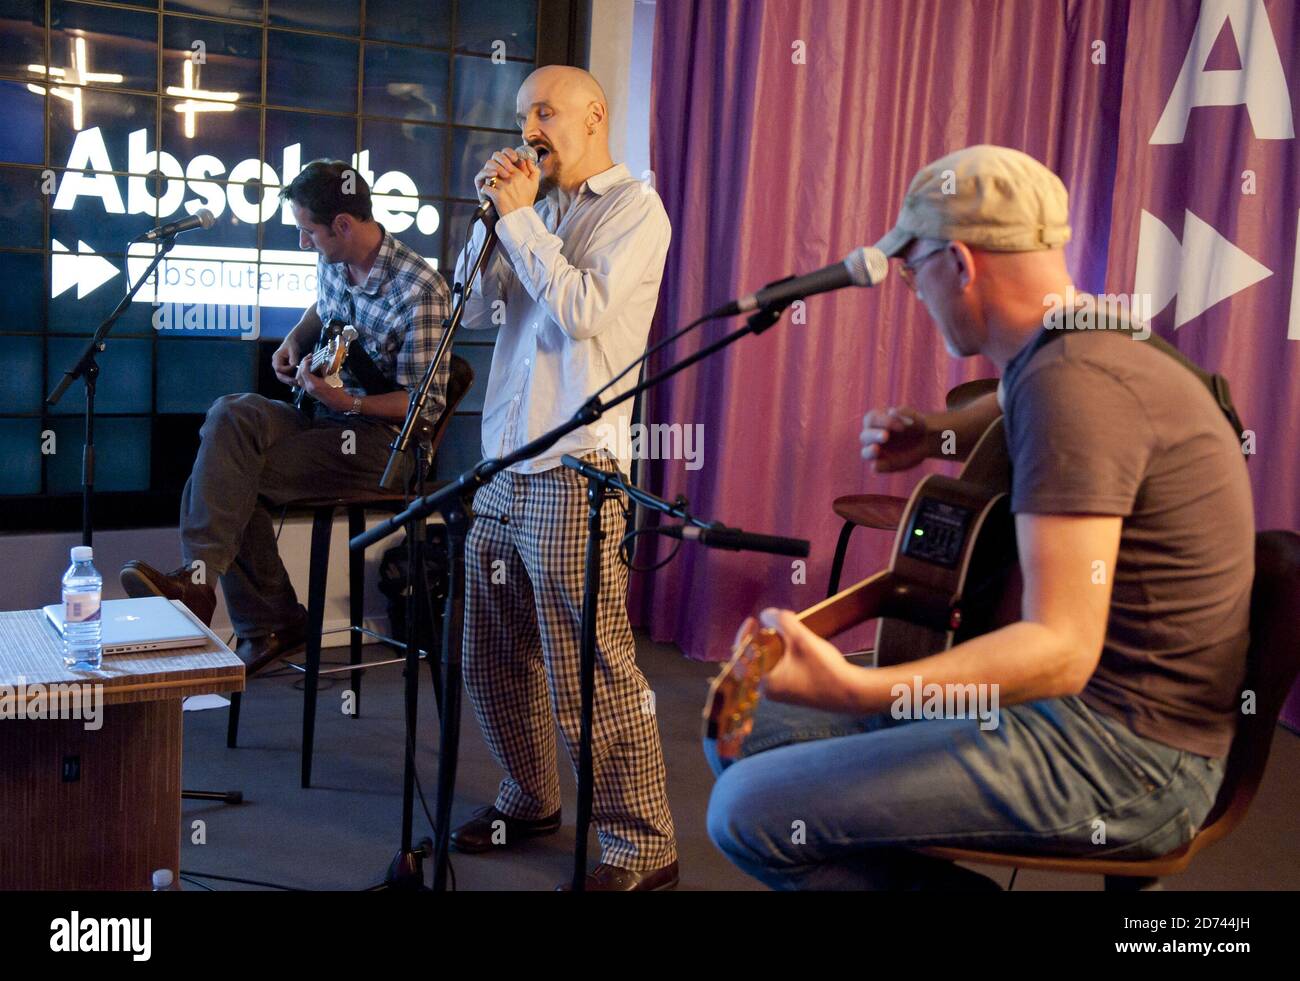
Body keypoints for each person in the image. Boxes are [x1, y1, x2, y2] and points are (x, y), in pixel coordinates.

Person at [705, 145, 1254, 890]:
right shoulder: (1082, 340)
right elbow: (1011, 418)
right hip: (1081, 712)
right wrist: (932, 433)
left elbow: (1060, 648)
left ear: (961, 263)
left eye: (912, 269)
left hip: (1131, 755)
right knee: (741, 733)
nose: (910, 288)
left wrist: (857, 690)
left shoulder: (1075, 380)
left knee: (743, 808)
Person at [446, 66, 679, 891]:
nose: (530, 128)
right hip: (505, 464)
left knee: (590, 667)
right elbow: (472, 313)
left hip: (578, 468)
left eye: (545, 111)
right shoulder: (531, 212)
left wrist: (521, 225)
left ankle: (642, 842)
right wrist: (494, 221)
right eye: (522, 114)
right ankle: (529, 794)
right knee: (490, 653)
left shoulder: (636, 210)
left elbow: (581, 311)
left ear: (594, 115)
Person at [121, 160, 450, 676]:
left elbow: (422, 404)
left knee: (226, 477)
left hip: (387, 443)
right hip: (321, 416)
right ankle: (233, 603)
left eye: (307, 231)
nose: (302, 243)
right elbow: (321, 310)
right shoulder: (335, 260)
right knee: (231, 413)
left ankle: (253, 614)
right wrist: (296, 339)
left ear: (343, 225)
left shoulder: (420, 290)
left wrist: (352, 404)